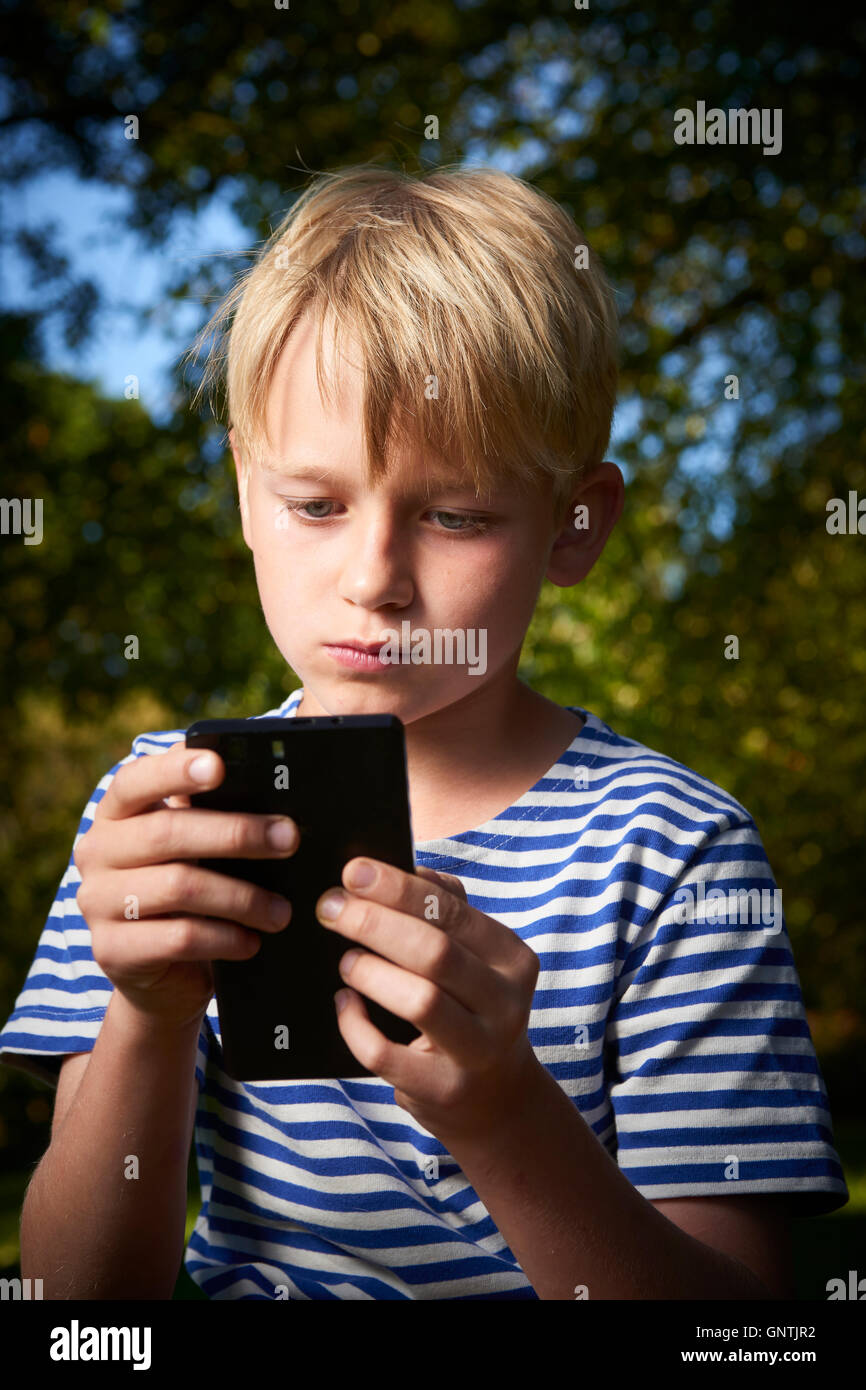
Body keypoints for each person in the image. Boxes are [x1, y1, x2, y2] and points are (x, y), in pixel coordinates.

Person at [0, 166, 848, 1300]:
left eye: (455, 516)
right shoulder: (158, 812)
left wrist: (503, 1115)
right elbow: (76, 1314)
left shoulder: (674, 853)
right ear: (246, 494)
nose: (373, 580)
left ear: (574, 525)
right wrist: (148, 1016)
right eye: (315, 505)